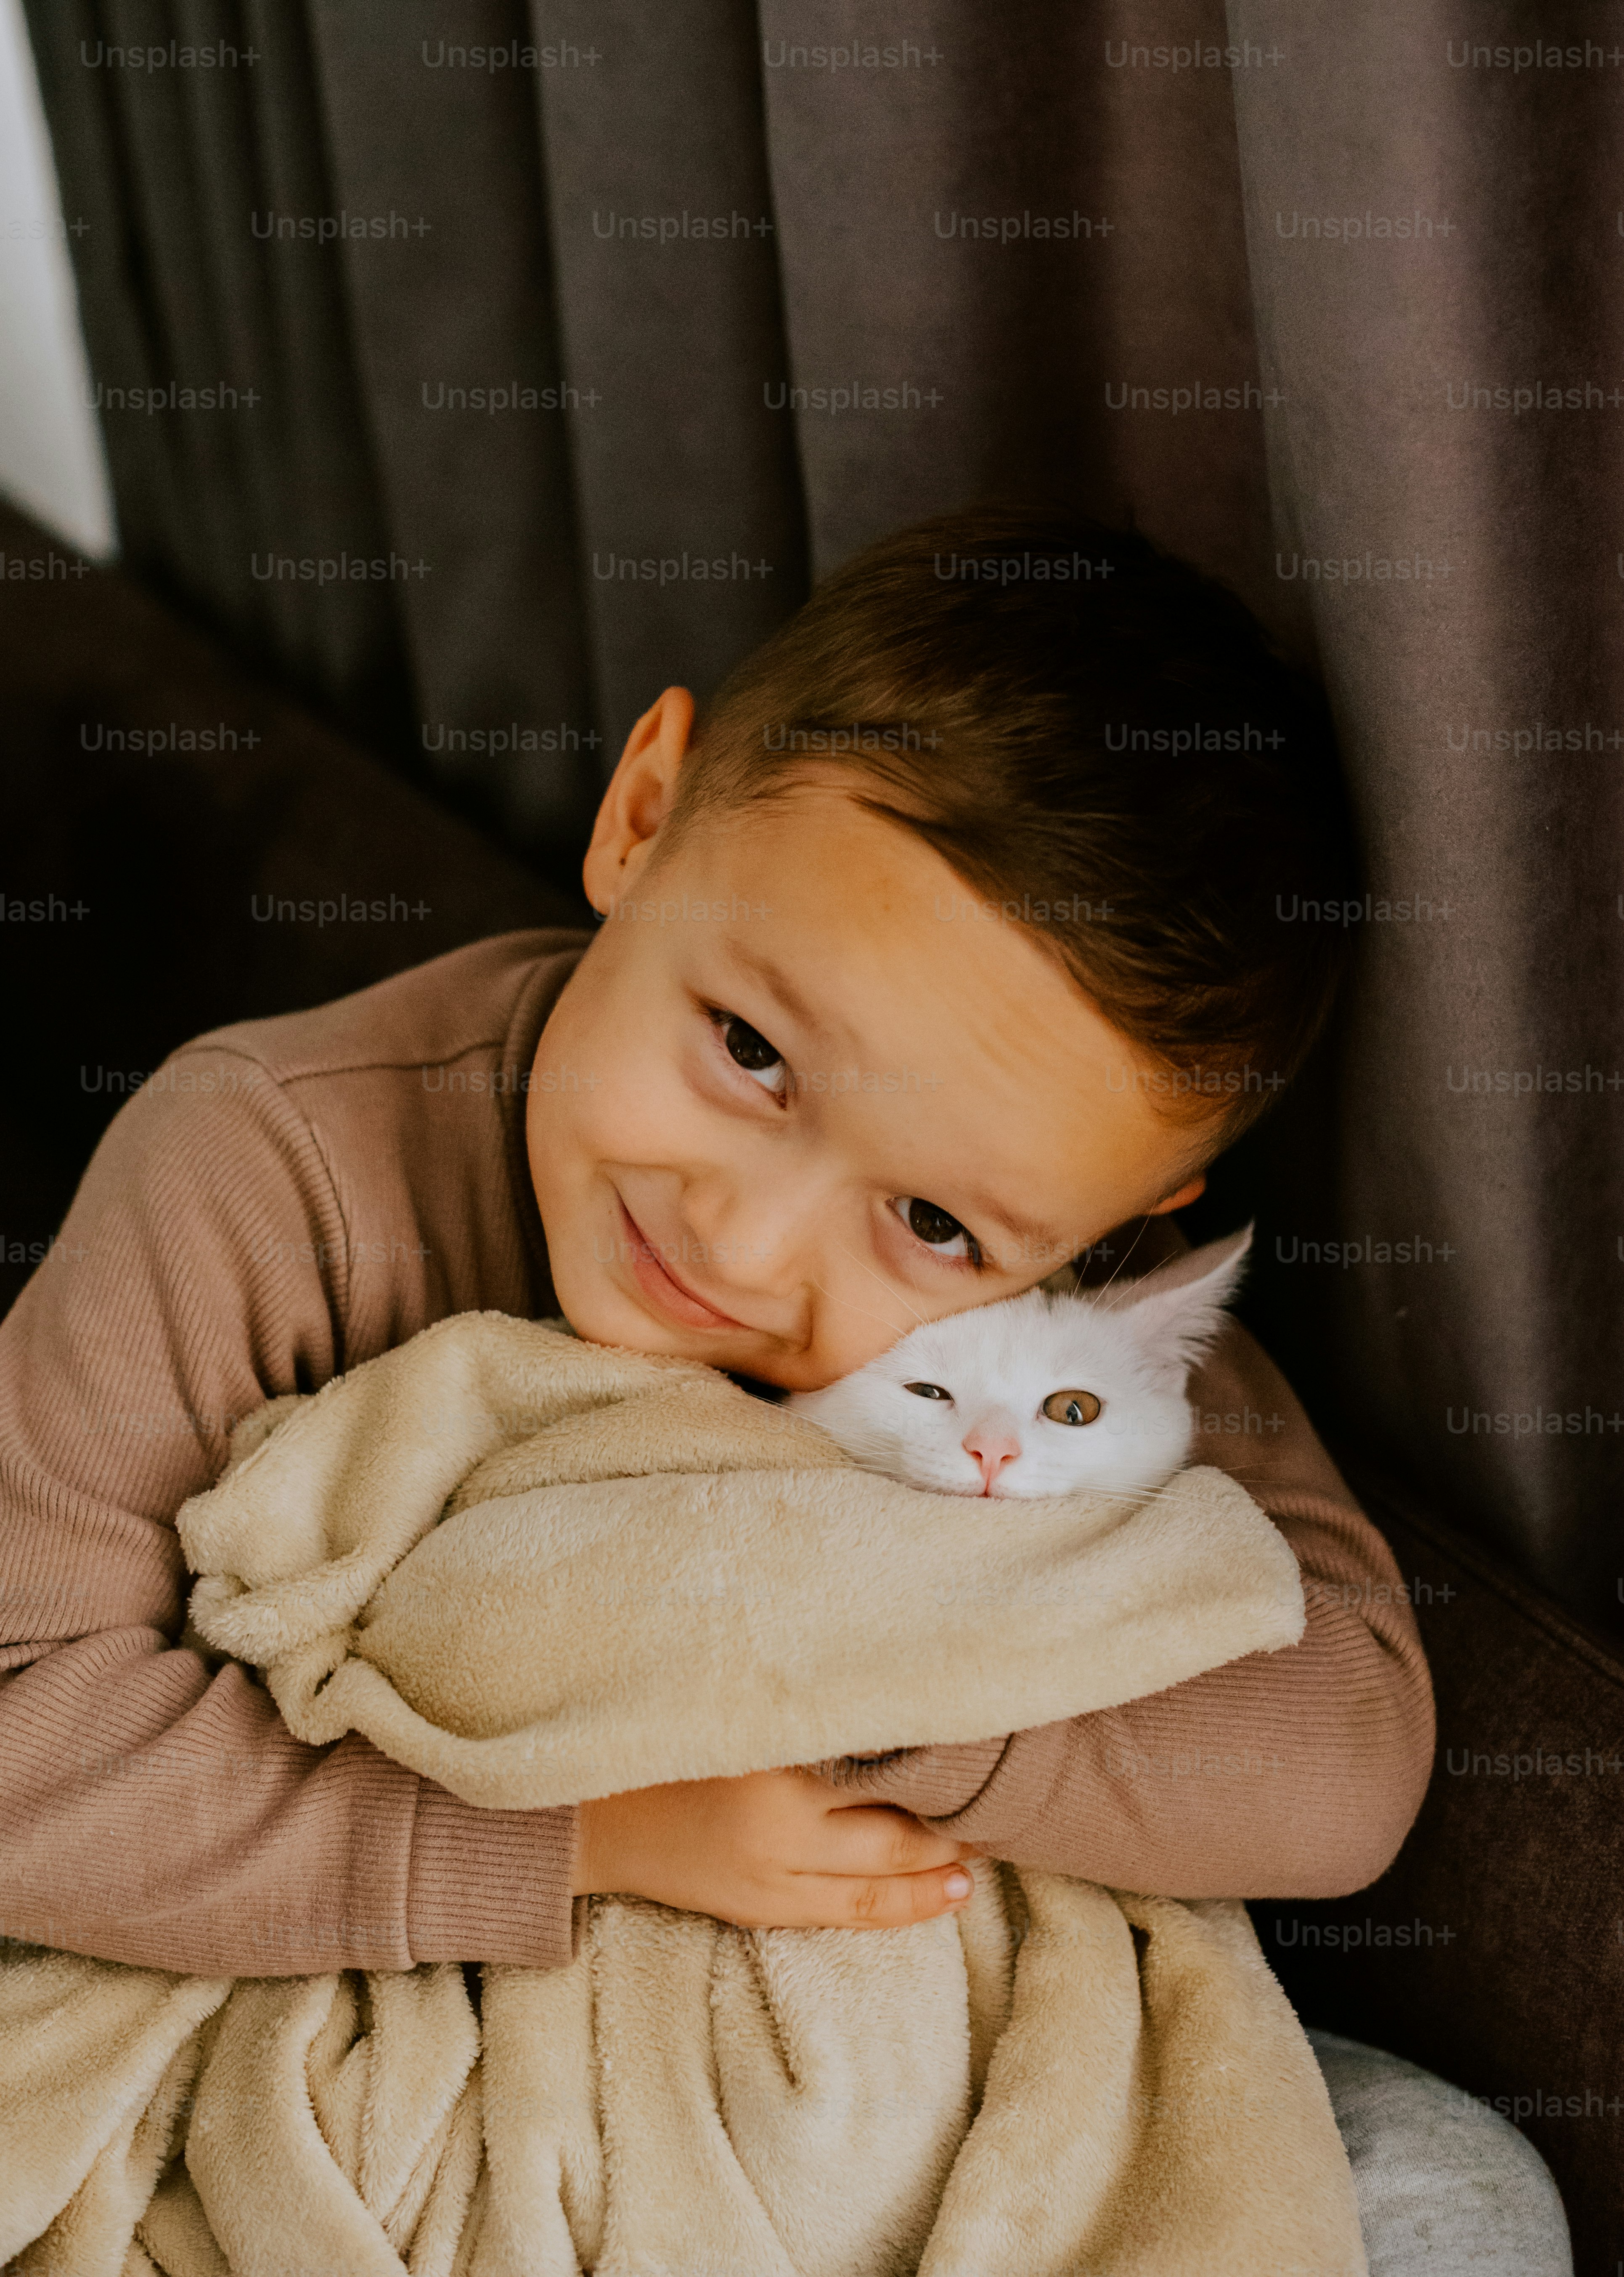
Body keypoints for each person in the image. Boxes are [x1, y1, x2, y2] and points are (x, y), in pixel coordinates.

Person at [0, 505, 1570, 2270]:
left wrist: (843, 1683)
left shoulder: (1044, 1311)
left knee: (1460, 2197)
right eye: (749, 1052)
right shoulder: (269, 1160)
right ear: (643, 814)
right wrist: (582, 1836)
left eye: (927, 1222)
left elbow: (1345, 1754)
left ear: (1123, 1231)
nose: (741, 1248)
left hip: (903, 2081)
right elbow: (21, 1730)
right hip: (400, 1997)